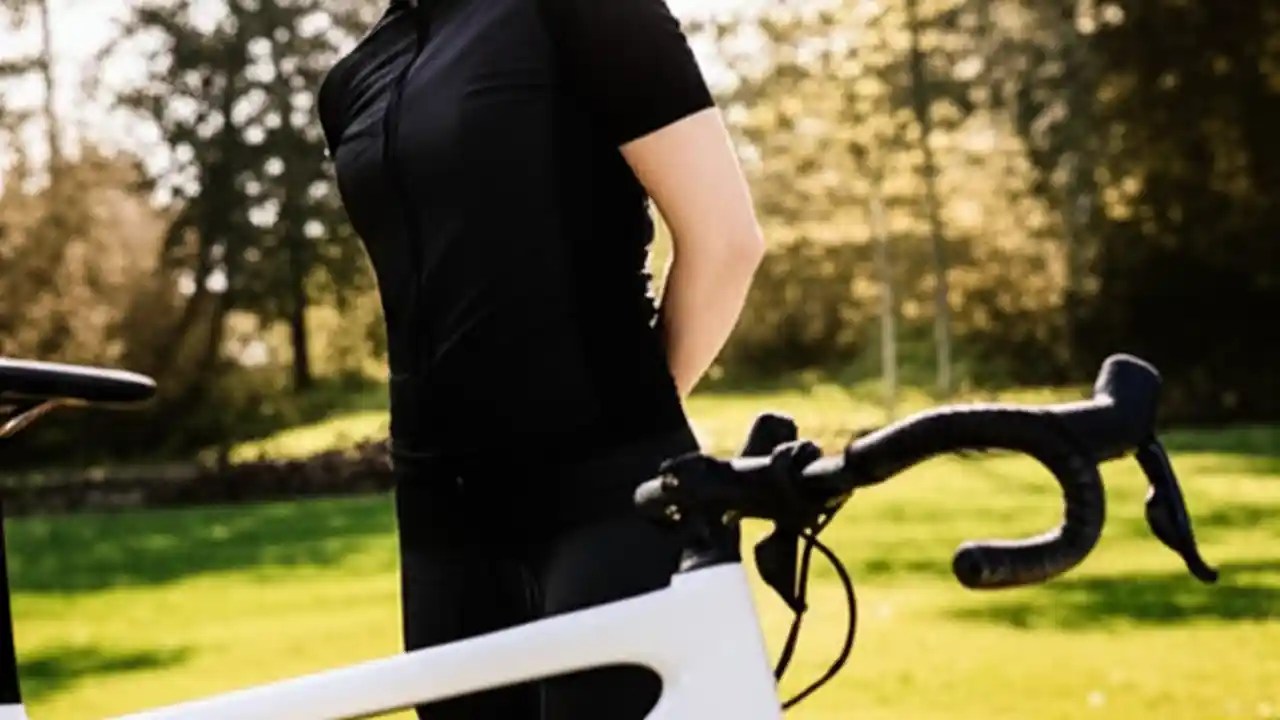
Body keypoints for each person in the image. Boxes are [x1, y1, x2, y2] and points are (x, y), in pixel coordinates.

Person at [317, 0, 764, 716]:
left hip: (607, 495)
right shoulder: (351, 82)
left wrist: (628, 420)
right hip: (441, 524)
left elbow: (726, 240)